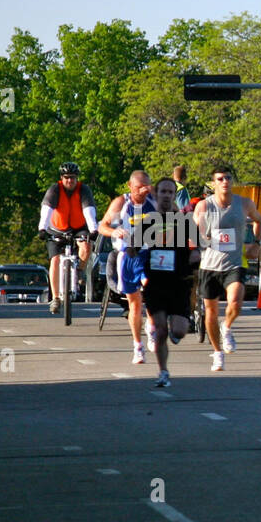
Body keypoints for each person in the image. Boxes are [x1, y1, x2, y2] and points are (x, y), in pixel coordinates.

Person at [193, 165, 261, 372]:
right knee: (210, 311)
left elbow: (259, 220)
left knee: (236, 302)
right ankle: (217, 353)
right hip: (209, 265)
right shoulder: (204, 206)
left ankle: (227, 326)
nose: (224, 181)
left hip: (234, 263)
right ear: (213, 183)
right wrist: (202, 236)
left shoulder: (244, 203)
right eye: (219, 179)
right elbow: (196, 231)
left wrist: (256, 241)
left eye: (228, 177)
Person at [139, 179, 199, 387]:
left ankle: (177, 331)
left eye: (170, 192)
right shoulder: (147, 221)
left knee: (179, 331)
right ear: (156, 195)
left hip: (178, 283)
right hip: (155, 283)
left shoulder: (184, 222)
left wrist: (195, 256)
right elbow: (133, 249)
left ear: (175, 196)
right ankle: (163, 372)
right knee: (161, 329)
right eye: (162, 191)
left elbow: (197, 248)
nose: (166, 195)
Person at [100, 171, 161, 364]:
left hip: (149, 253)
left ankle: (151, 326)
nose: (143, 191)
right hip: (127, 254)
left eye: (146, 186)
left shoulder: (155, 201)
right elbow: (102, 225)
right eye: (139, 187)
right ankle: (138, 346)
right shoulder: (121, 203)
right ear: (129, 186)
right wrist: (113, 231)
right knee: (134, 302)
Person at [37, 162, 98, 314]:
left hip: (78, 228)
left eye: (73, 178)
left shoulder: (84, 190)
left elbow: (89, 210)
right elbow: (47, 210)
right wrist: (42, 228)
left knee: (85, 246)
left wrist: (93, 229)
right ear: (61, 178)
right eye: (67, 178)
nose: (70, 181)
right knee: (55, 260)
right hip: (56, 228)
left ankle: (80, 271)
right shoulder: (54, 190)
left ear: (77, 178)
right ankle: (56, 298)